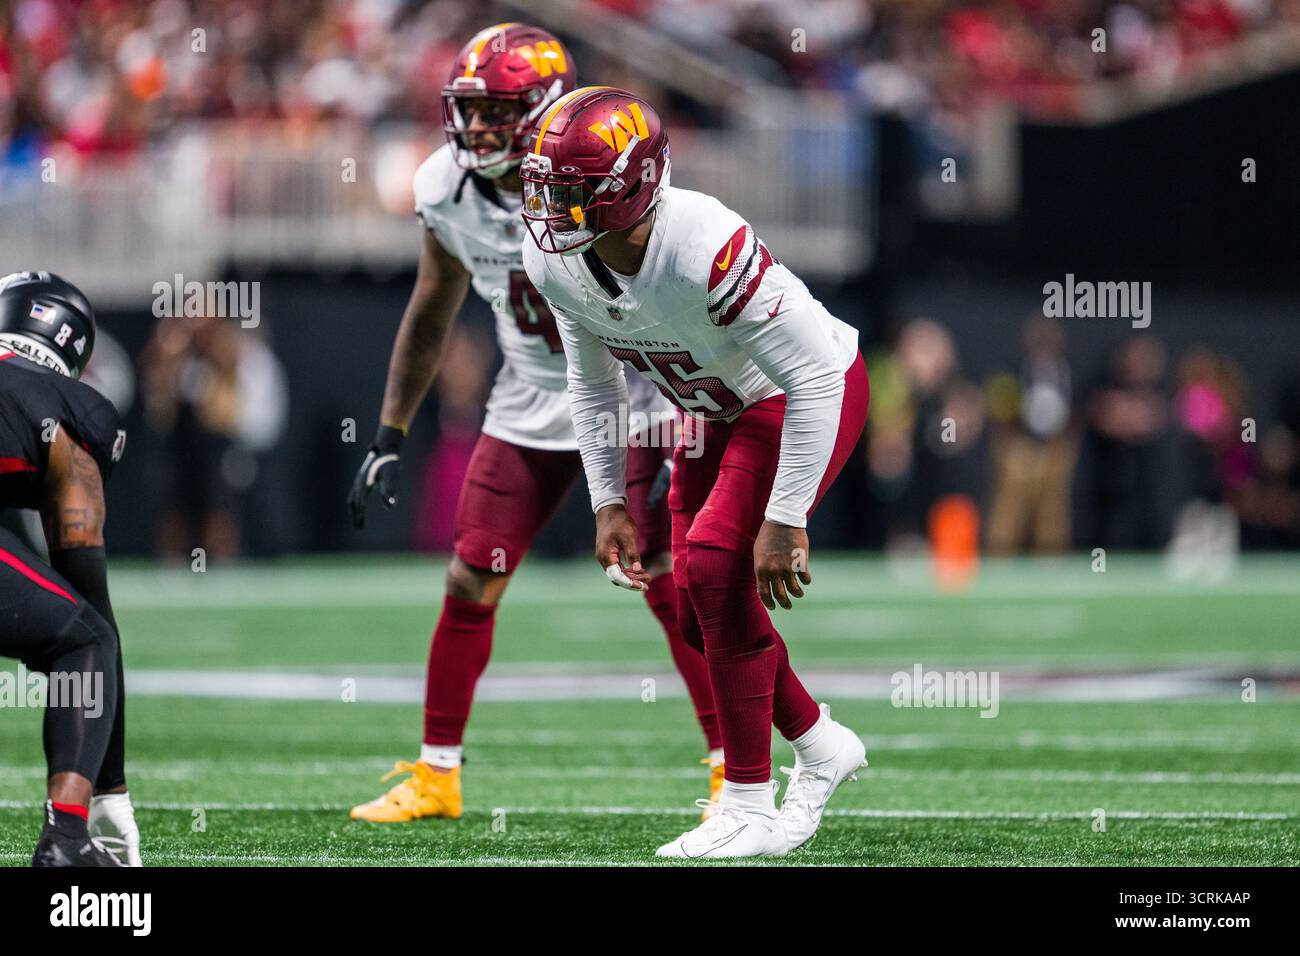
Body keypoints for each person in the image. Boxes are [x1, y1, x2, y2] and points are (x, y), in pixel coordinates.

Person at [346, 25, 721, 824]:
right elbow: (430, 307)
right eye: (470, 111)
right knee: (470, 577)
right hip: (529, 396)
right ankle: (438, 775)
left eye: (497, 112)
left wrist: (704, 401)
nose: (478, 130)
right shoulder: (445, 188)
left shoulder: (594, 175)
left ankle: (733, 771)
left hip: (634, 392)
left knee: (664, 578)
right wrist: (390, 431)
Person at [522, 87, 869, 858]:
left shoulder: (703, 243)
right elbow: (592, 381)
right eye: (546, 187)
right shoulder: (559, 264)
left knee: (715, 568)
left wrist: (787, 517)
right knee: (685, 599)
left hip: (799, 393)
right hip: (713, 409)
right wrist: (607, 498)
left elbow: (815, 377)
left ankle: (747, 802)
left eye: (571, 191)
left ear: (629, 188)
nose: (549, 207)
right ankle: (820, 742)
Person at [0, 271, 139, 867]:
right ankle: (67, 838)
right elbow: (88, 609)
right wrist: (109, 786)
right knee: (86, 638)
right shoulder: (73, 410)